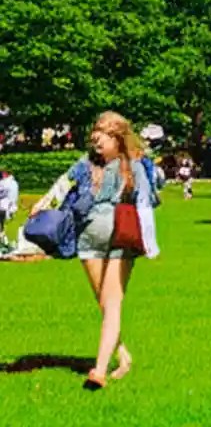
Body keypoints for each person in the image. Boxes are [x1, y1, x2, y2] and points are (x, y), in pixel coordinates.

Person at [30, 111, 160, 390]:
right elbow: (64, 182)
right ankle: (123, 355)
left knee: (112, 303)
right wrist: (43, 202)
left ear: (118, 138)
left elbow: (146, 204)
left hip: (121, 240)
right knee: (103, 301)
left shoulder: (134, 165)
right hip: (87, 239)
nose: (96, 141)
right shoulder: (86, 163)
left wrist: (150, 244)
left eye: (103, 136)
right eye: (95, 136)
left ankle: (98, 372)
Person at [0, 170, 17, 248]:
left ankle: (5, 244)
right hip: (8, 207)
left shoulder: (5, 183)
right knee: (3, 227)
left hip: (4, 207)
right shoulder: (13, 183)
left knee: (3, 227)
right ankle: (5, 243)